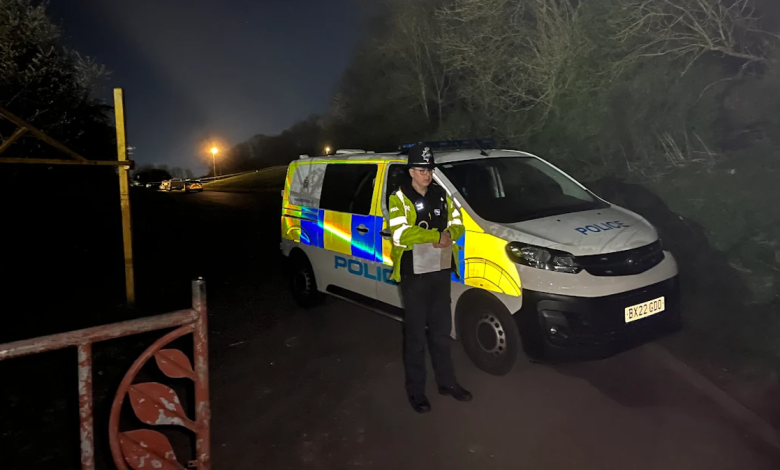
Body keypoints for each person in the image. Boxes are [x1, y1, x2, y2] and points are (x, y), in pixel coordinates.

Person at [387, 143, 472, 413]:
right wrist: (435, 236)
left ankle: (447, 383)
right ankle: (416, 393)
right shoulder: (399, 197)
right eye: (422, 169)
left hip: (439, 271)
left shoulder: (441, 194)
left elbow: (459, 220)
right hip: (414, 275)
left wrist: (449, 235)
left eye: (430, 169)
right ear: (411, 171)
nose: (427, 174)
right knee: (415, 338)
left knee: (440, 332)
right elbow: (400, 234)